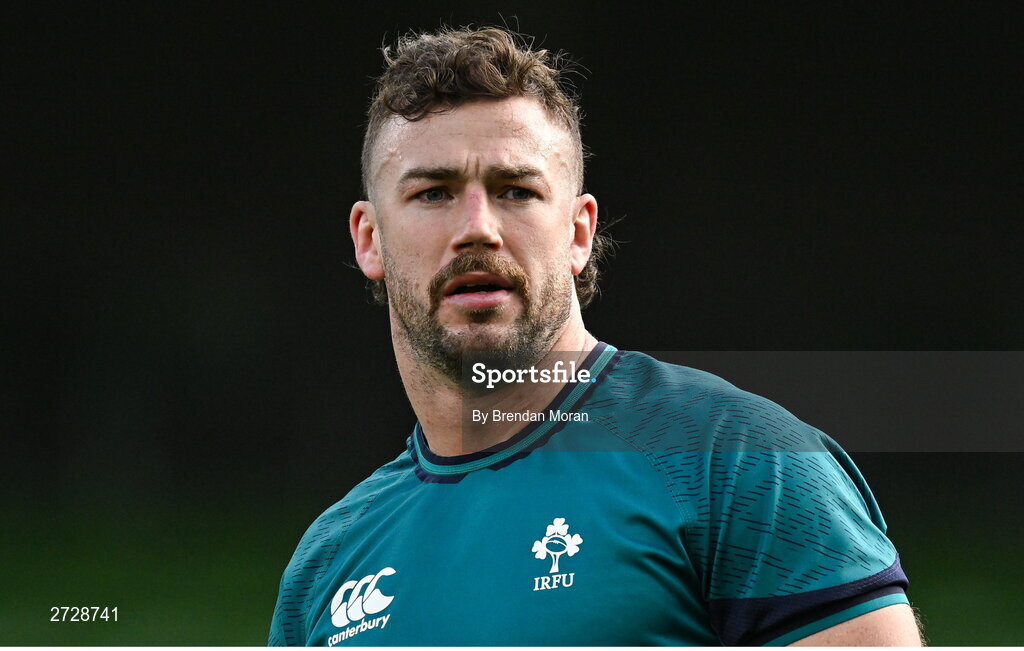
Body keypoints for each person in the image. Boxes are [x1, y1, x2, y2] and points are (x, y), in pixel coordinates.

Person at [268, 26, 921, 646]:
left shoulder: (743, 466)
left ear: (578, 232)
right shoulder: (328, 566)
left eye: (516, 190)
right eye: (434, 192)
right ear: (369, 239)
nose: (477, 229)